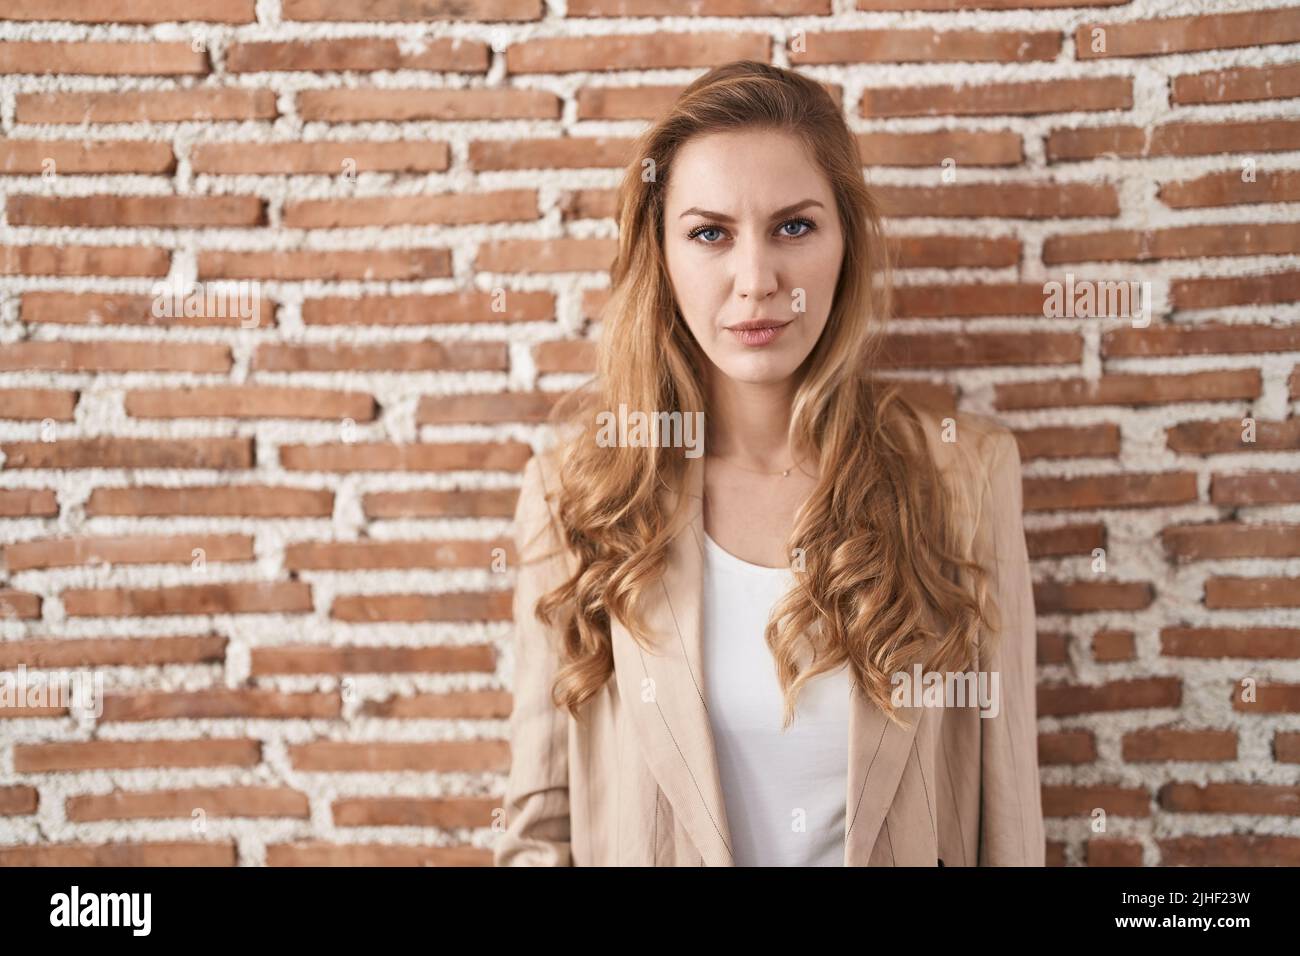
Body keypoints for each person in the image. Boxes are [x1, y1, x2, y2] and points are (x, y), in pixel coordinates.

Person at [494, 60, 1045, 867]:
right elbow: (537, 835)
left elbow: (1009, 822)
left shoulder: (967, 478)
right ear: (664, 255)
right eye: (710, 232)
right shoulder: (578, 494)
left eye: (794, 226)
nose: (757, 282)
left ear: (846, 241)